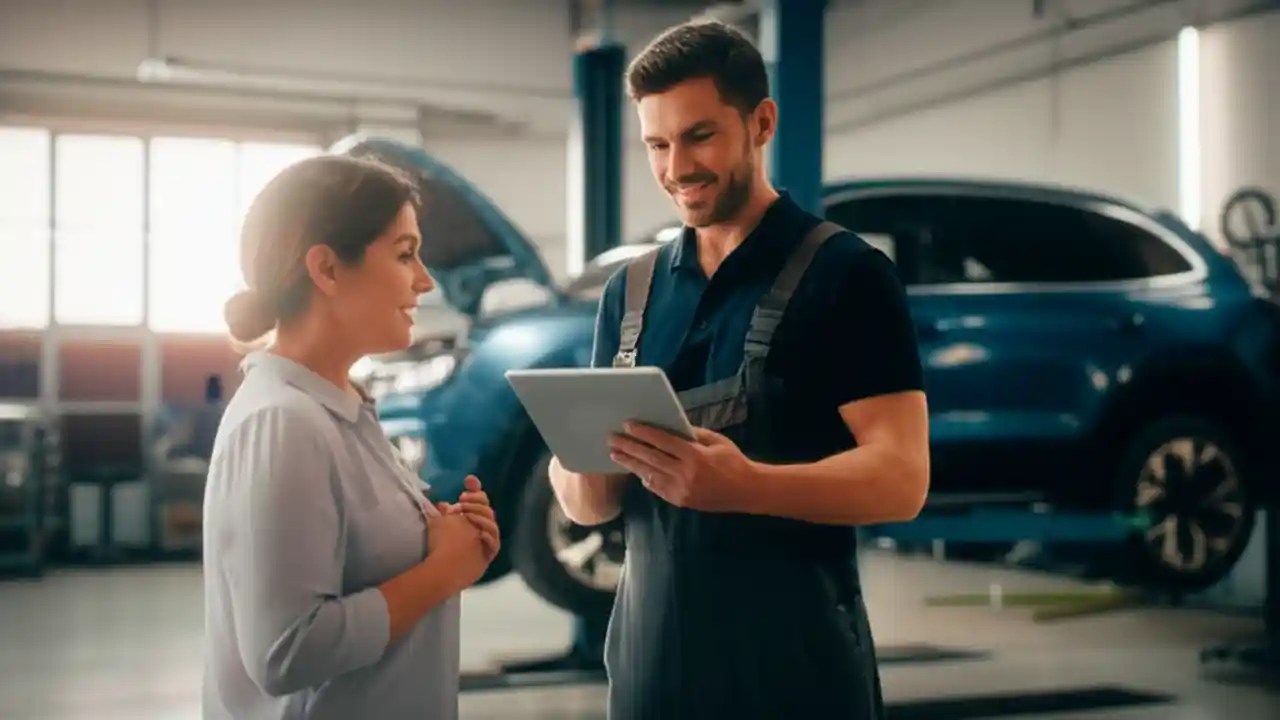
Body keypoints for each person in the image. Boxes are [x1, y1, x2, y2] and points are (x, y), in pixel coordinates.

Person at [547, 20, 930, 720]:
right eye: (656, 145)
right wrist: (577, 473)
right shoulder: (629, 294)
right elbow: (590, 504)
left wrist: (747, 485)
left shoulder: (847, 275)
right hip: (650, 677)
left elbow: (902, 479)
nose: (676, 168)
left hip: (795, 681)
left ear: (762, 122)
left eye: (699, 137)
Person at [202, 154, 501, 720]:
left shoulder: (341, 411)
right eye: (405, 254)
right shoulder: (284, 422)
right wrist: (442, 572)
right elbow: (286, 652)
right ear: (328, 269)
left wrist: (452, 537)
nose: (425, 280)